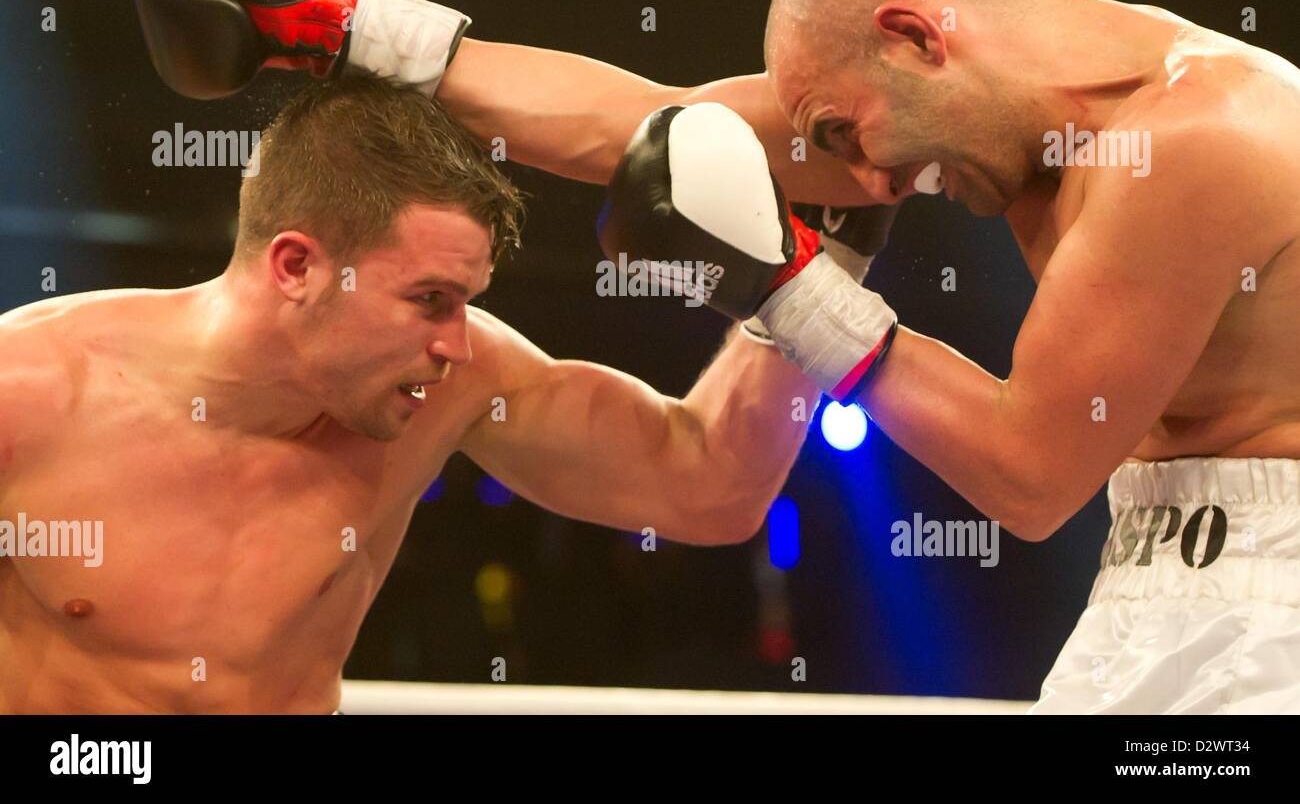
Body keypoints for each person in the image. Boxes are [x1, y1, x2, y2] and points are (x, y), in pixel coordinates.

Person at [133, 0, 1300, 712]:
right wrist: (348, 27)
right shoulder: (1013, 124)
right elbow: (648, 125)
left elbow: (1033, 473)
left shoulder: (1196, 138)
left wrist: (789, 285)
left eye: (844, 133)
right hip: (1161, 581)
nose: (860, 177)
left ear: (916, 37)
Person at [0, 75, 829, 713]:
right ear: (296, 266)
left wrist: (812, 273)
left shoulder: (457, 382)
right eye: (429, 299)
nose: (457, 343)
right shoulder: (29, 389)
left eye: (466, 302)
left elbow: (709, 490)